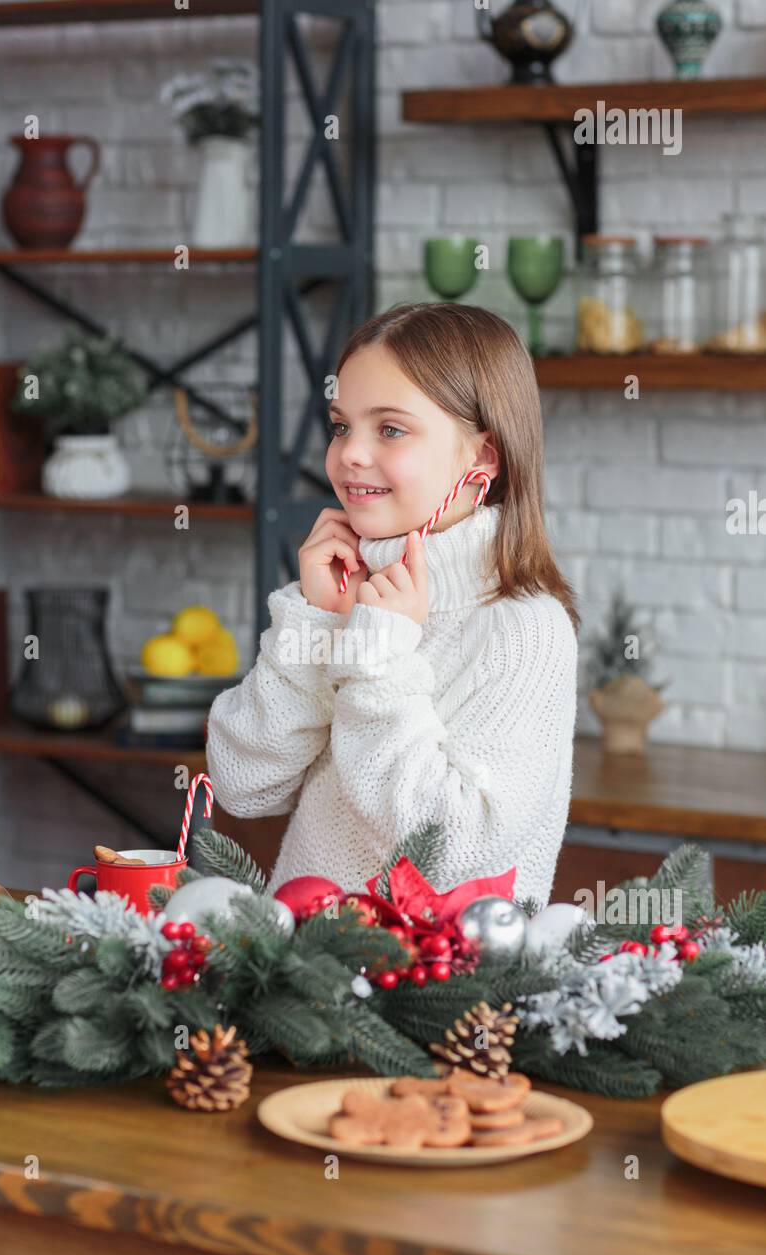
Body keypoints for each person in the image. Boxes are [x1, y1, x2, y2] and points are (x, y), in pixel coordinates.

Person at [206, 302, 580, 907]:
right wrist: (317, 619)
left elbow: (455, 851)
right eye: (340, 426)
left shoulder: (525, 629)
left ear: (482, 458)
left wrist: (380, 660)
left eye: (390, 429)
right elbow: (243, 784)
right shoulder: (350, 596)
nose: (350, 454)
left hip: (435, 994)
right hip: (295, 979)